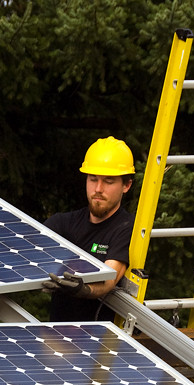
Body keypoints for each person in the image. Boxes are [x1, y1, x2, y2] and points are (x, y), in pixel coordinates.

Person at [42, 136, 135, 322]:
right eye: (93, 179)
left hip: (100, 343)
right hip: (56, 338)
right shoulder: (63, 223)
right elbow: (21, 247)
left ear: (126, 185)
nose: (98, 189)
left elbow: (109, 279)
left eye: (108, 181)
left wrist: (83, 289)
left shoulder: (127, 227)